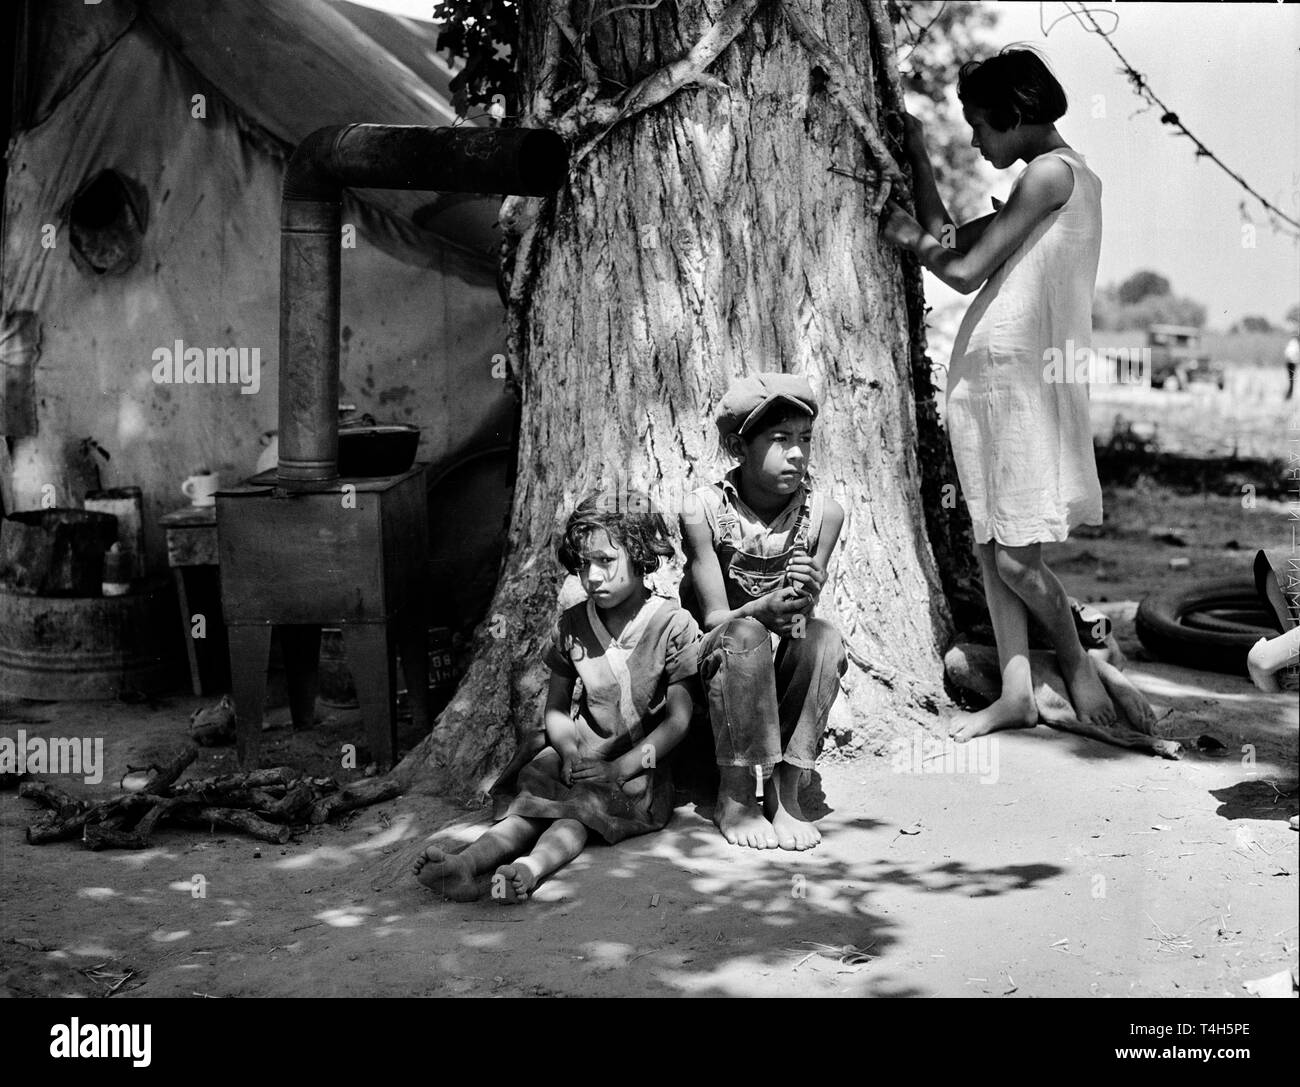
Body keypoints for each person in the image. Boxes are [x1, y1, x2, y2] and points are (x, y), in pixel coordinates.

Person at [881, 46, 1118, 740]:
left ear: (1017, 114)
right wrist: (920, 163)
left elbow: (958, 267)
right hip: (992, 383)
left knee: (1017, 553)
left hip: (1019, 386)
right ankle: (1016, 690)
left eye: (982, 125)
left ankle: (1075, 664)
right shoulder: (1043, 184)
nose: (978, 140)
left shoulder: (1051, 174)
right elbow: (952, 237)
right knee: (991, 544)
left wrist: (907, 239)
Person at [414, 491, 700, 902]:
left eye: (606, 560)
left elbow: (678, 720)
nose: (593, 577)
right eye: (584, 565)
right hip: (578, 757)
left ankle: (528, 871)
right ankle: (466, 865)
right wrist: (567, 752)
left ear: (639, 555)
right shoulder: (572, 624)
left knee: (579, 815)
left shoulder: (673, 625)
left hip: (634, 768)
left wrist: (619, 769)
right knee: (529, 808)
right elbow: (557, 706)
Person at [679, 373, 847, 851]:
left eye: (805, 439)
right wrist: (761, 608)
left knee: (823, 637)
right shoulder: (704, 511)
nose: (797, 453)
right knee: (745, 633)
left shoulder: (823, 514)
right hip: (712, 673)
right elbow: (714, 618)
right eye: (780, 440)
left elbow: (797, 617)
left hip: (767, 681)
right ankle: (735, 794)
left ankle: (785, 788)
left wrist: (804, 595)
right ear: (738, 447)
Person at [1284, 334, 1298, 401]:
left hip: (1289, 363)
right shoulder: (1295, 344)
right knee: (1292, 380)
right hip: (1292, 363)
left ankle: (1289, 395)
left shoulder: (1291, 343)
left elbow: (1287, 353)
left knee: (1291, 379)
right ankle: (1289, 395)